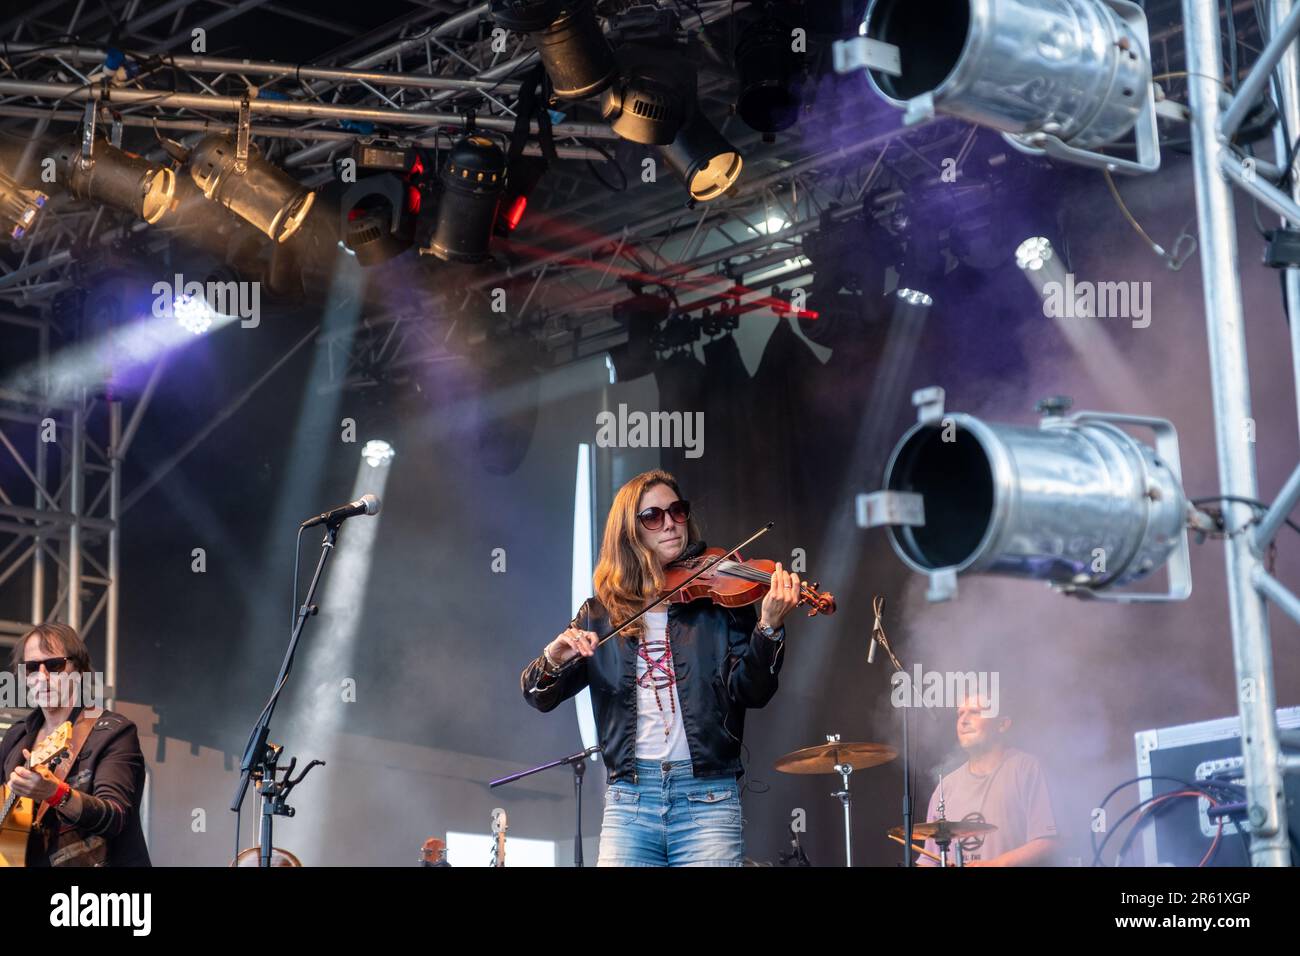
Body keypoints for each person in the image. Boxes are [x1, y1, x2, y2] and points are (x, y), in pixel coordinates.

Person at [520, 469, 800, 866]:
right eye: (653, 516)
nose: (669, 523)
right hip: (629, 801)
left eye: (677, 511)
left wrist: (768, 628)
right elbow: (536, 696)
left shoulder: (719, 602)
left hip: (708, 796)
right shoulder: (600, 615)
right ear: (629, 533)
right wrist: (553, 657)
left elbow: (753, 691)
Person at [1, 622, 151, 866]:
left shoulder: (113, 732)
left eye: (54, 665)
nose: (43, 677)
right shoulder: (16, 737)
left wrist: (55, 793)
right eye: (32, 668)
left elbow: (115, 817)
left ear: (78, 670)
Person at [919, 694, 1058, 867]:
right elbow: (929, 858)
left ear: (1002, 724)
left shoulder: (1026, 768)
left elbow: (1048, 841)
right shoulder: (946, 787)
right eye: (960, 714)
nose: (963, 721)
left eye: (975, 712)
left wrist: (998, 864)